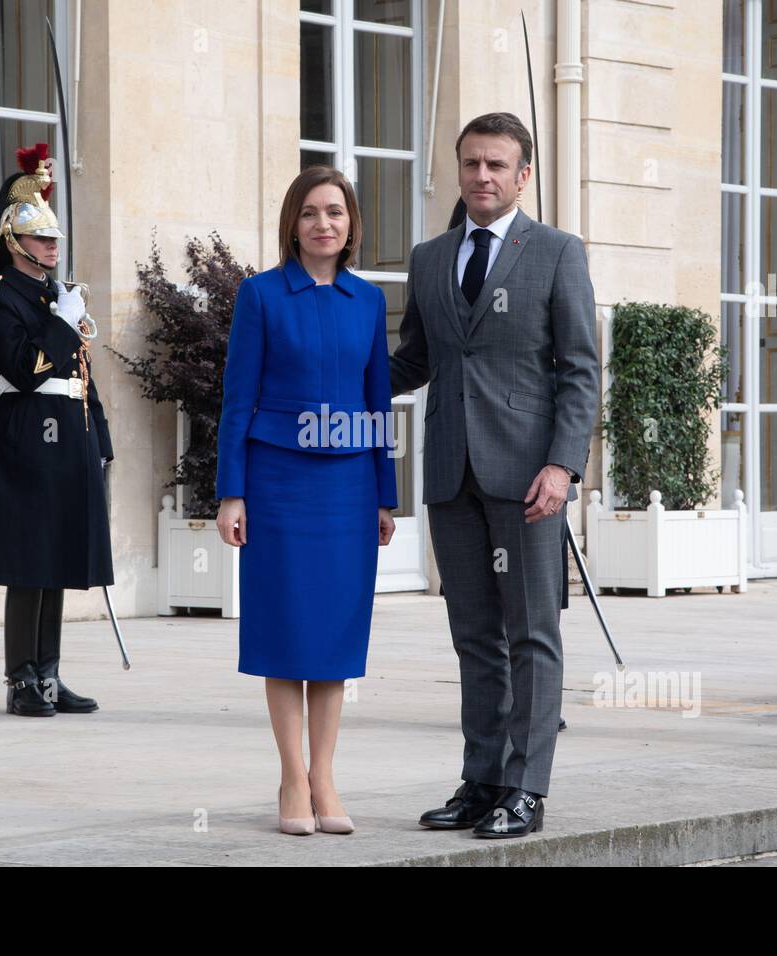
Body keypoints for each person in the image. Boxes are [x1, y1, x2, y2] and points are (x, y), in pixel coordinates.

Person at [389, 112, 600, 837]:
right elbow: (414, 358)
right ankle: (481, 781)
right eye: (472, 163)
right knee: (473, 635)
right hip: (452, 471)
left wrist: (564, 466)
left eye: (497, 165)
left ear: (523, 175)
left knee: (533, 634)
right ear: (459, 169)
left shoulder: (558, 253)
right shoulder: (429, 256)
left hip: (529, 476)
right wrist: (328, 369)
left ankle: (527, 789)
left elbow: (579, 371)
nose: (482, 176)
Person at [215, 165, 398, 835]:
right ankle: (292, 778)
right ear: (293, 222)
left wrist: (386, 494)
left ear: (351, 225)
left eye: (337, 212)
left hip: (349, 489)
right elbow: (238, 399)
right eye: (312, 212)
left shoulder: (370, 301)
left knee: (333, 639)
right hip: (278, 484)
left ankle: (326, 776)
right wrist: (231, 492)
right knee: (286, 630)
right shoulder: (260, 295)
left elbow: (379, 400)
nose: (325, 223)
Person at [0, 144, 115, 717]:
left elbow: (81, 373)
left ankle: (49, 677)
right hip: (25, 433)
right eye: (42, 238)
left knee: (55, 557)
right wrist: (61, 322)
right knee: (29, 560)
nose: (54, 246)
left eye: (55, 238)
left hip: (67, 435)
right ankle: (21, 680)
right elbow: (25, 370)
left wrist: (98, 437)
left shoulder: (58, 295)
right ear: (14, 240)